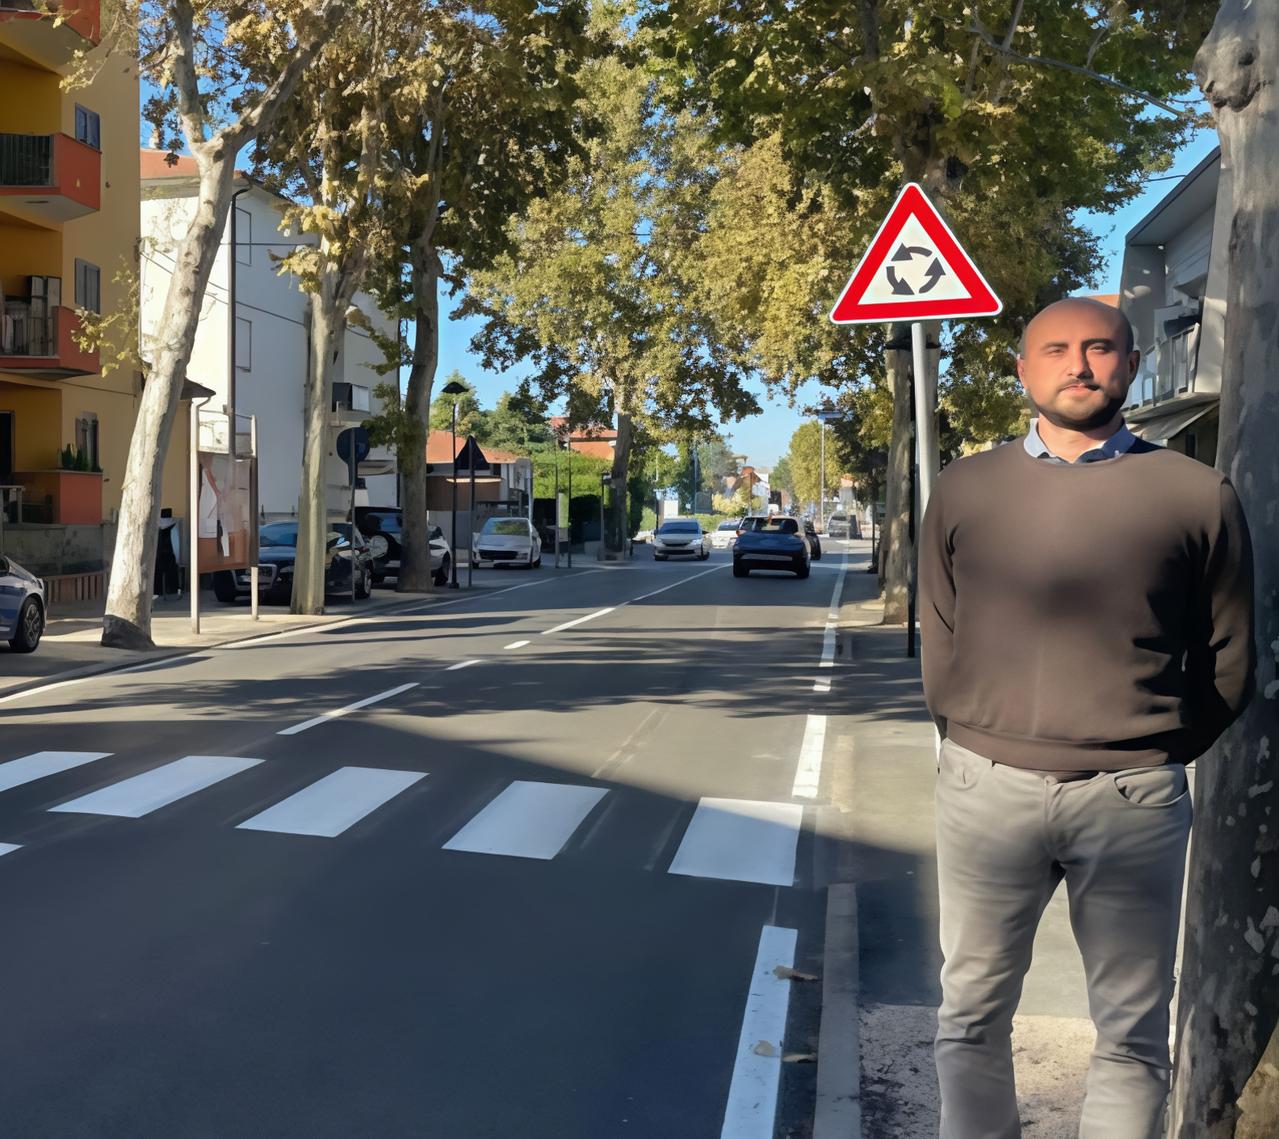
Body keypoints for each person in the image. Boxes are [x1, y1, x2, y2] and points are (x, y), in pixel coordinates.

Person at [919, 297, 1255, 1139]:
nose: (1079, 364)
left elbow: (1232, 655)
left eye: (1099, 348)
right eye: (1056, 350)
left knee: (1132, 1035)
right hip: (982, 788)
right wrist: (972, 737)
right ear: (1023, 370)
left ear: (1130, 365)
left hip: (1131, 798)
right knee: (967, 1016)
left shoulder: (1194, 492)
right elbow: (937, 629)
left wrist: (1149, 751)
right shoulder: (966, 485)